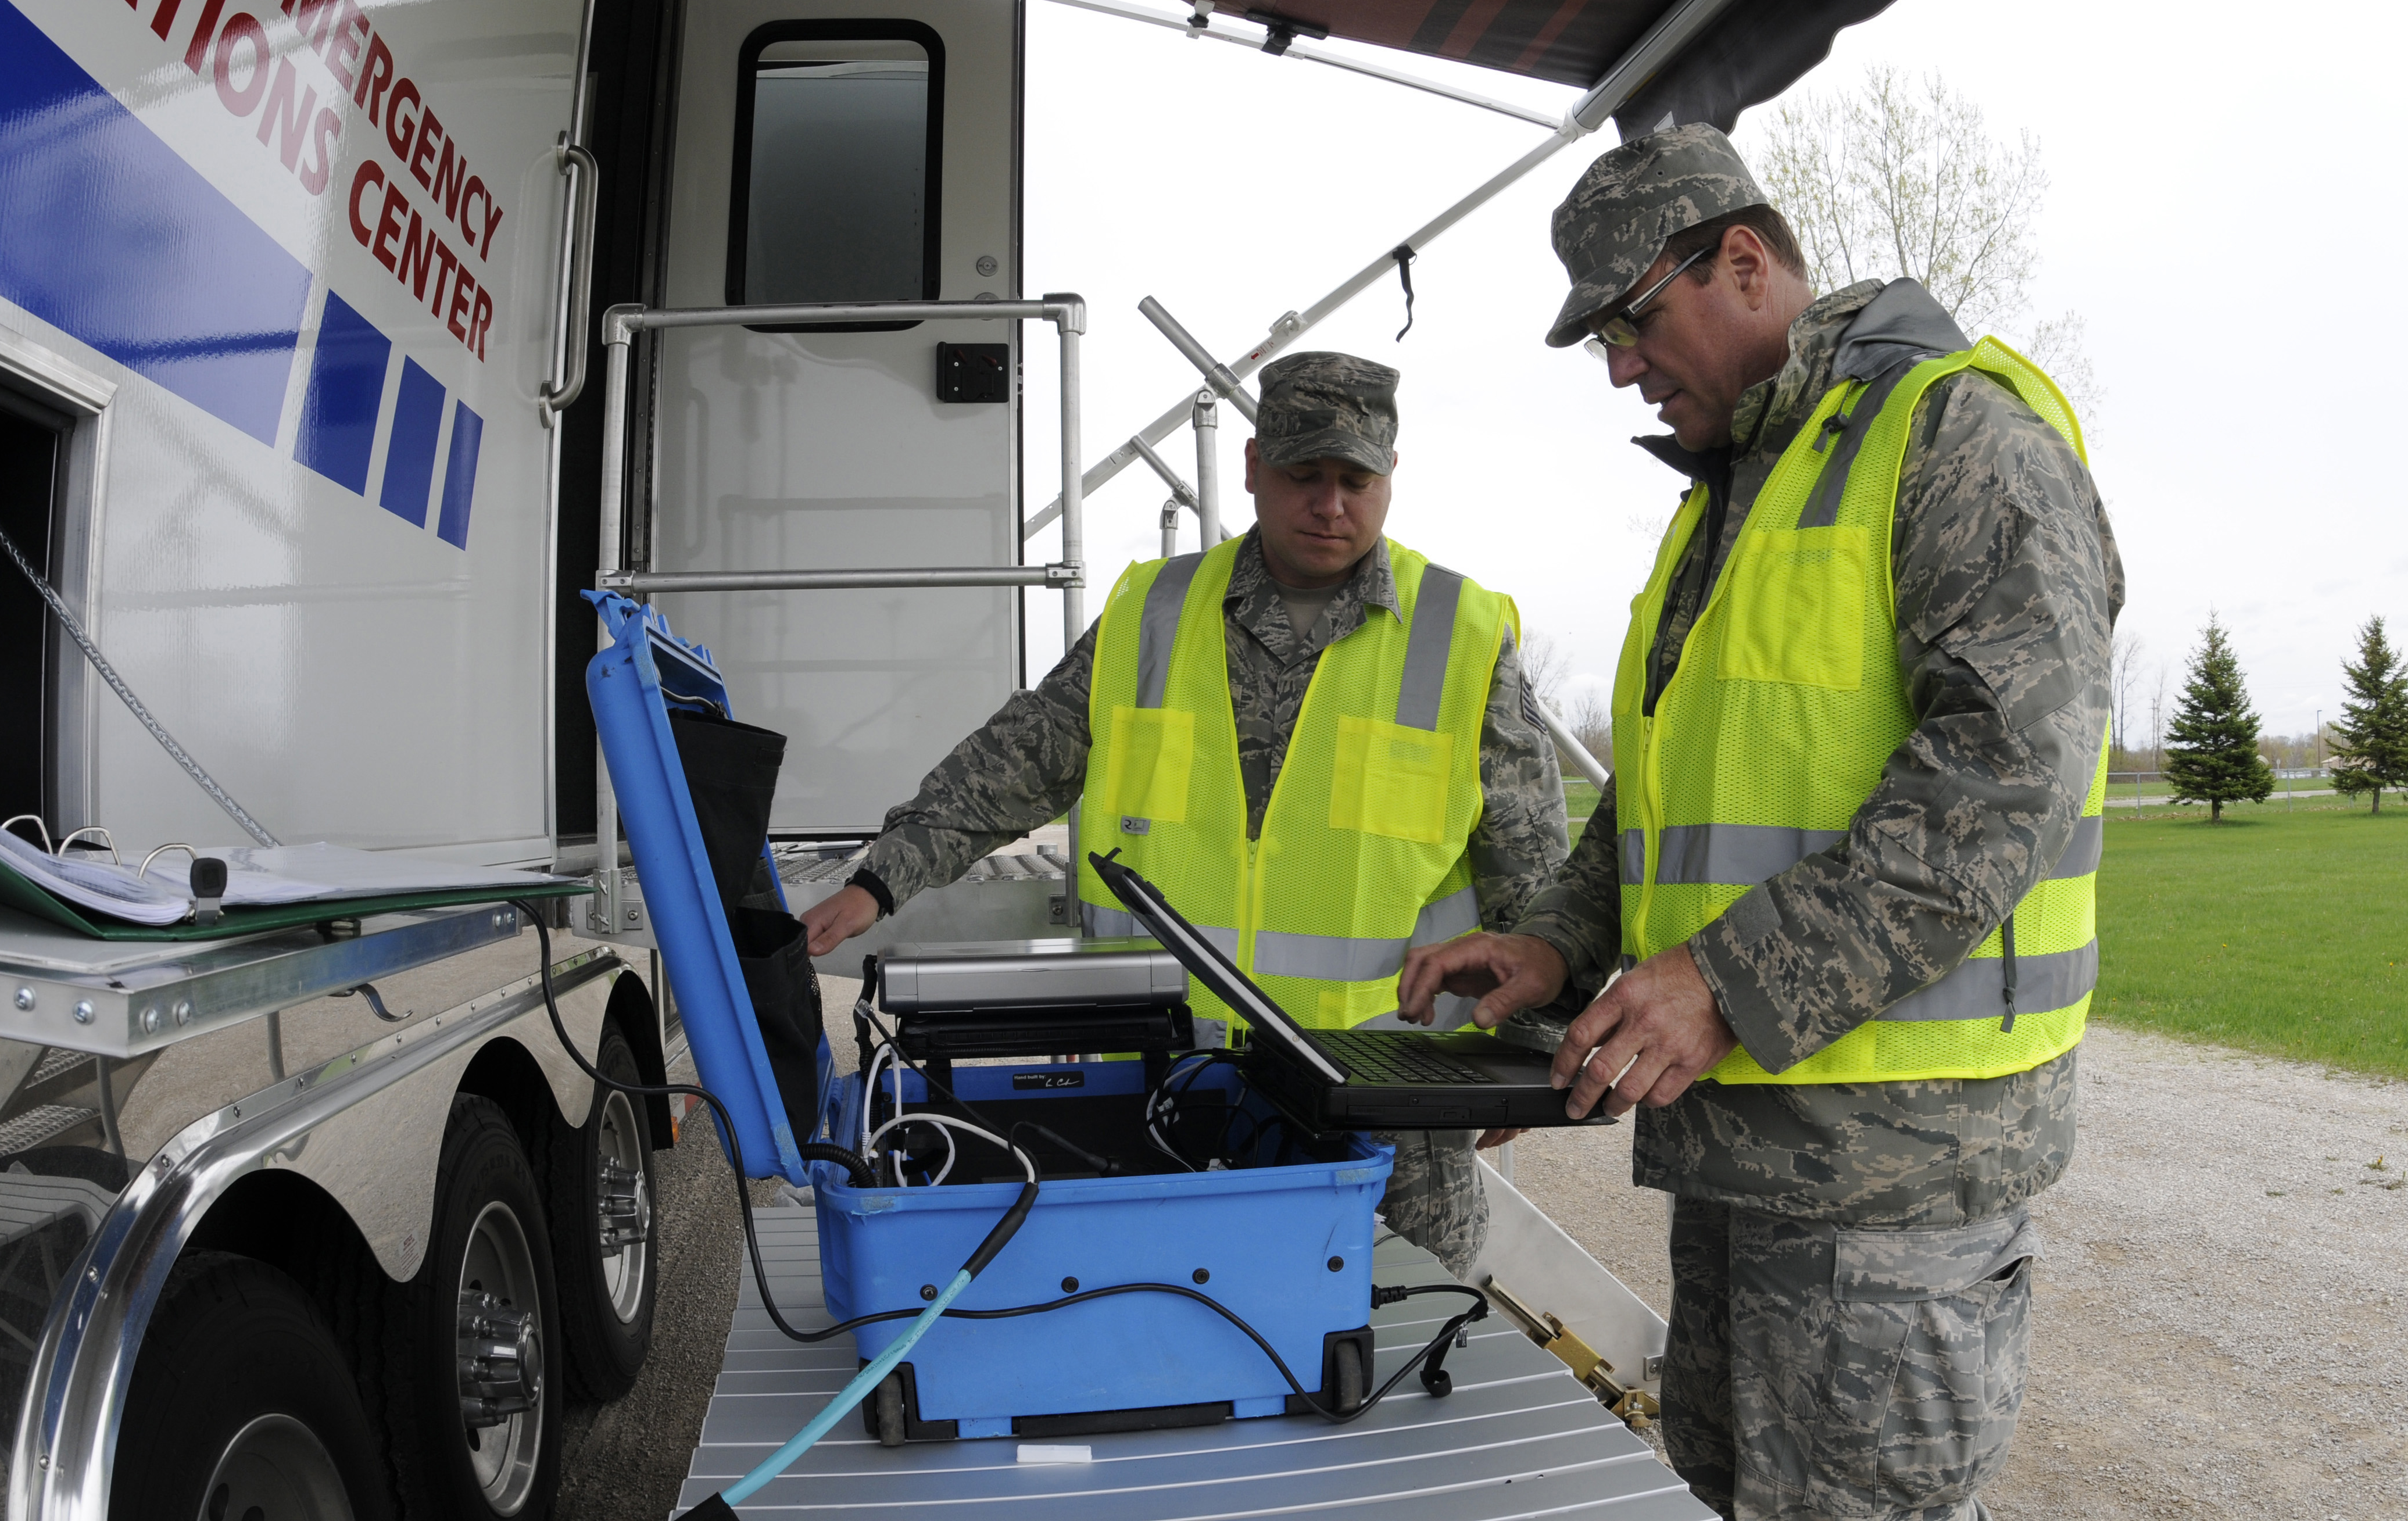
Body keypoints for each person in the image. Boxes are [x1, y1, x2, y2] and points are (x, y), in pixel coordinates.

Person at [1396, 124, 2120, 1519]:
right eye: (1601, 342)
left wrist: (1725, 981)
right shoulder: (1740, 488)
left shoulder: (1958, 434)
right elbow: (1672, 786)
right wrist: (1557, 940)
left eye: (1629, 321)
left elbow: (2003, 774)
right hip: (1747, 1156)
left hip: (1891, 1178)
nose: (1620, 368)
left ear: (1740, 261)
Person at [800, 350, 1569, 1275]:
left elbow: (1534, 870)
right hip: (1169, 1083)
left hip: (1384, 1100)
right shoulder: (1152, 614)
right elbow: (1013, 763)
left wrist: (1533, 1047)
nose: (1331, 505)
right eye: (1304, 475)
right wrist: (882, 880)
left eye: (1356, 481)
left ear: (1391, 477)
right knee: (1171, 1309)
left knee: (1400, 1325)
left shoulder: (1463, 633)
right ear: (1253, 467)